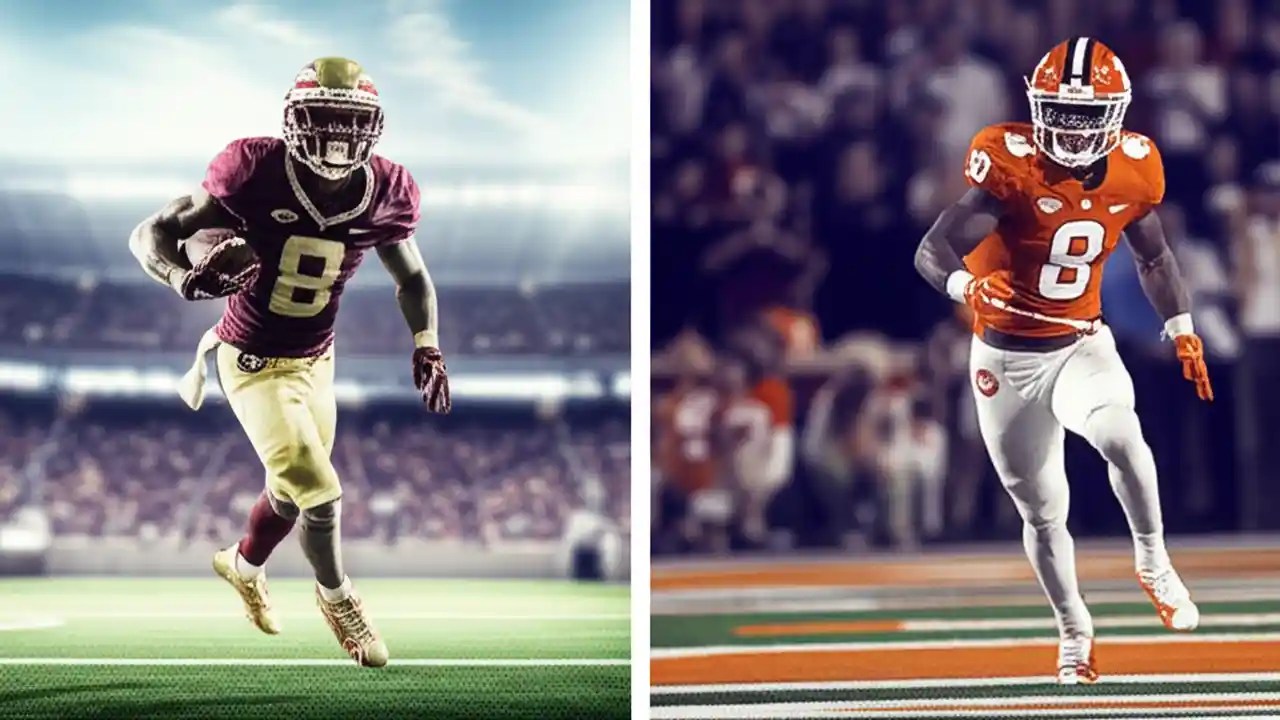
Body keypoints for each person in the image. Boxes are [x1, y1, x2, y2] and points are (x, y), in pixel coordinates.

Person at [127, 57, 452, 668]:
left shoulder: (385, 191)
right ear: (294, 121)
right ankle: (339, 599)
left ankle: (243, 564)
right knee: (321, 496)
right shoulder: (254, 171)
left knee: (287, 493)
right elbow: (151, 231)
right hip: (251, 359)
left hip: (317, 359)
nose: (335, 136)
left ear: (372, 127)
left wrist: (426, 342)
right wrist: (180, 278)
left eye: (347, 122)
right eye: (322, 118)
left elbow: (412, 276)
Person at [913, 38, 1212, 685]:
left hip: (1081, 343)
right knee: (1044, 511)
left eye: (1086, 116)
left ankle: (1154, 560)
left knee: (1123, 436)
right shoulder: (1011, 165)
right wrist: (968, 289)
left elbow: (1155, 256)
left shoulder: (1136, 169)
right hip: (1004, 360)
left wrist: (1182, 327)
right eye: (1062, 114)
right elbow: (933, 249)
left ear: (1116, 114)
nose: (1073, 131)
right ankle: (1074, 631)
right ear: (1037, 108)